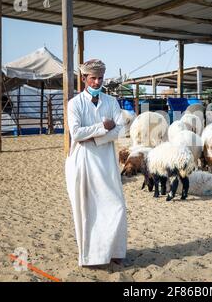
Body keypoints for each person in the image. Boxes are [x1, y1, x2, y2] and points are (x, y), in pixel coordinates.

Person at [65, 59, 127, 267]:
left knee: (116, 205)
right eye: (93, 78)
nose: (97, 82)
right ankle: (91, 256)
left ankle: (116, 251)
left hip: (107, 162)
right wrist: (102, 127)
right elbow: (76, 133)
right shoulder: (74, 104)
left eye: (100, 78)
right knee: (88, 209)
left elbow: (121, 130)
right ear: (84, 78)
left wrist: (95, 137)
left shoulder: (111, 102)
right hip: (84, 162)